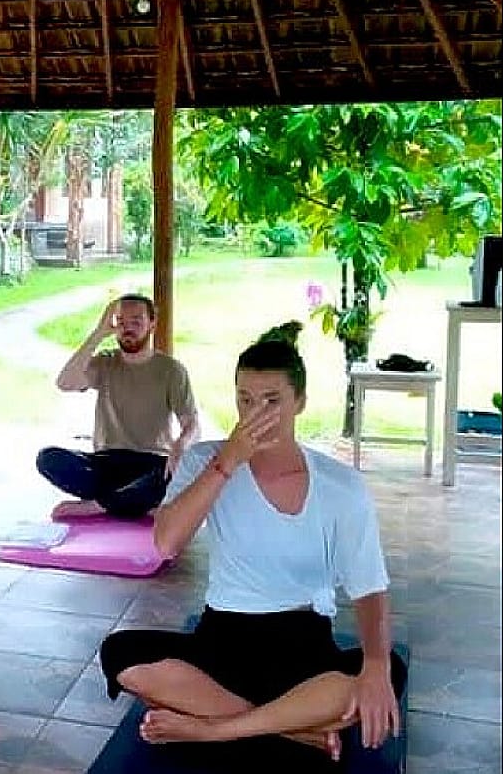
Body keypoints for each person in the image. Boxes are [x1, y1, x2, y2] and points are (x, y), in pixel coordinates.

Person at [99, 334, 407, 765]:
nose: (256, 413)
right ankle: (299, 732)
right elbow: (166, 543)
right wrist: (227, 463)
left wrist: (374, 667)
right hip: (222, 638)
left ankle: (217, 729)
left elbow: (369, 586)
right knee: (120, 654)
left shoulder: (341, 486)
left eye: (271, 400)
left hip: (304, 647)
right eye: (245, 399)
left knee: (387, 668)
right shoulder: (204, 462)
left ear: (299, 402)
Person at [37, 293, 199, 520]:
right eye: (121, 322)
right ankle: (132, 502)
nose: (127, 329)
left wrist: (181, 445)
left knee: (180, 472)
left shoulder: (171, 370)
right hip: (105, 463)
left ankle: (99, 506)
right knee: (47, 458)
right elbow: (65, 383)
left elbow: (192, 424)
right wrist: (99, 333)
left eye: (136, 322)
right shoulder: (105, 362)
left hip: (151, 463)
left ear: (152, 324)